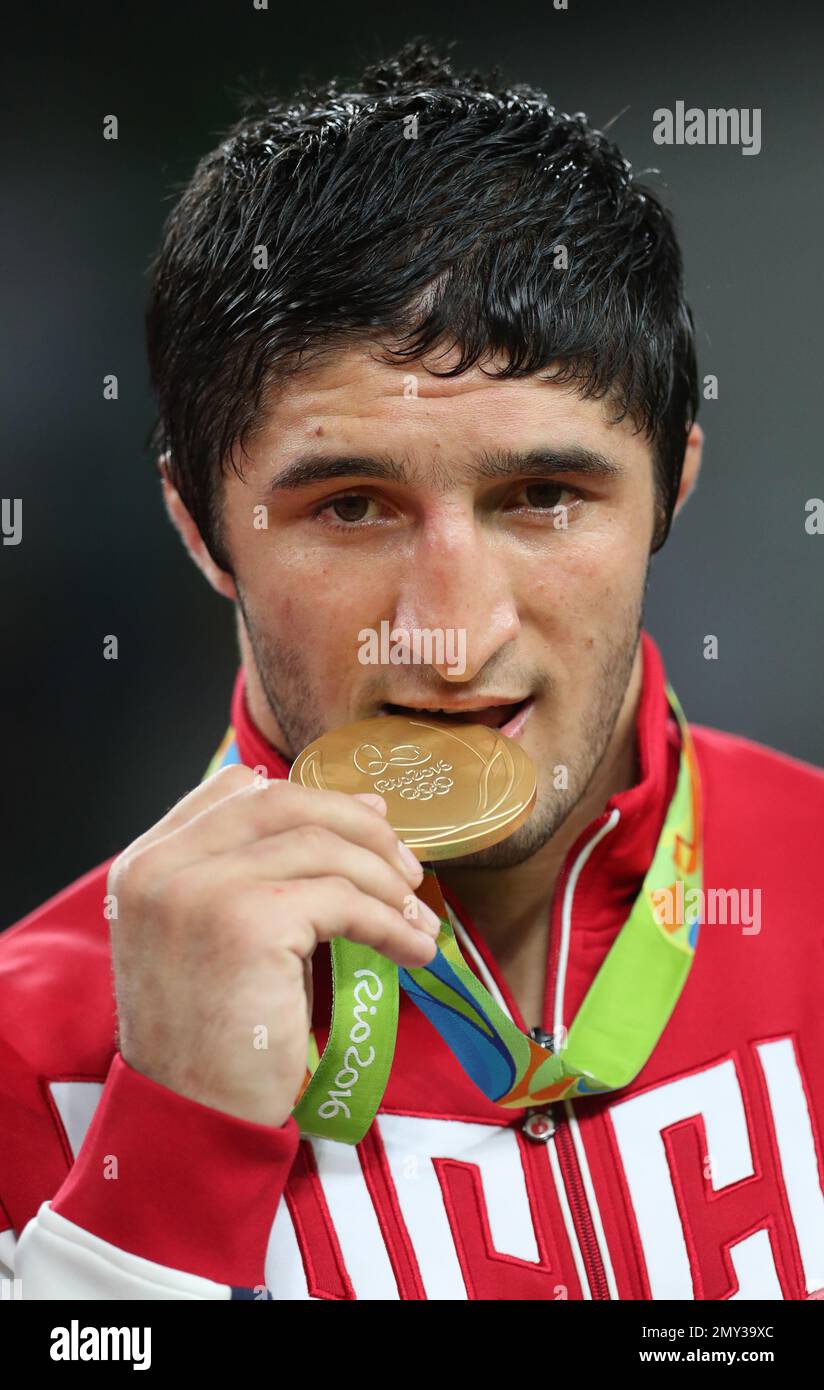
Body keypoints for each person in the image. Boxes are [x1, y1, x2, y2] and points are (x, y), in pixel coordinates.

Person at [2, 38, 823, 1302]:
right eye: (349, 507)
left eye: (543, 496)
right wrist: (162, 1159)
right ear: (197, 525)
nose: (452, 631)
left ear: (674, 485)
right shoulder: (26, 1051)